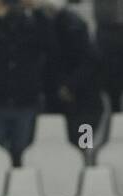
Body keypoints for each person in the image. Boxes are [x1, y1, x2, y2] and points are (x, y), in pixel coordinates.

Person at [0, 0, 56, 164]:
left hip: (25, 101)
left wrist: (37, 11)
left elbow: (50, 44)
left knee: (24, 154)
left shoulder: (34, 26)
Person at [44, 1, 105, 140]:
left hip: (86, 104)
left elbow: (90, 62)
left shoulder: (73, 27)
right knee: (59, 145)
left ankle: (85, 159)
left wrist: (69, 86)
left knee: (83, 144)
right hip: (61, 102)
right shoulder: (49, 28)